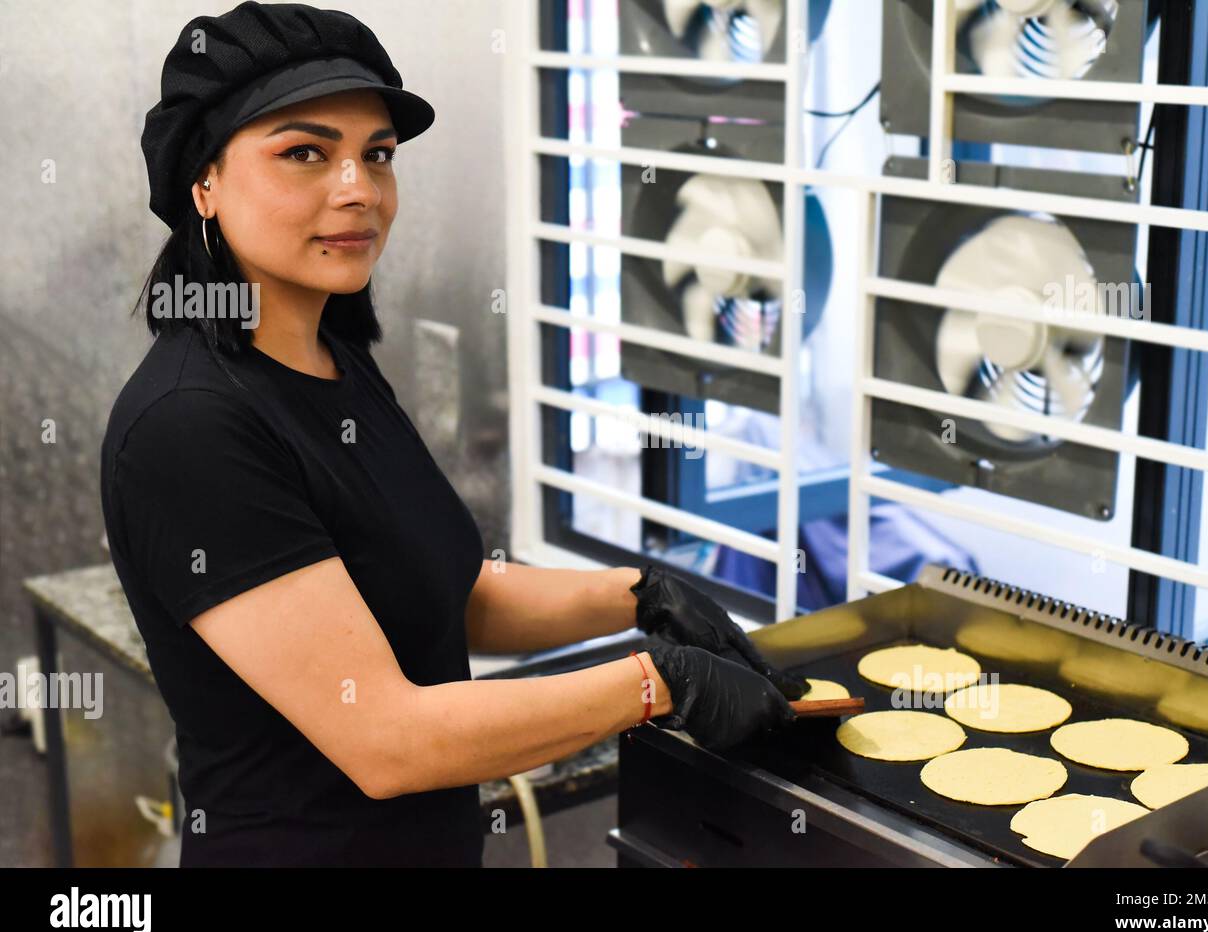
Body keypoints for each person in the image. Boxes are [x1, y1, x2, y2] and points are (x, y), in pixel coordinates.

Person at [100, 1, 807, 867]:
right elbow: (388, 739)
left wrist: (640, 595)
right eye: (305, 153)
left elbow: (448, 593)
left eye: (378, 154)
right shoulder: (191, 426)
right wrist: (658, 682)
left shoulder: (333, 361)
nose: (359, 188)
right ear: (203, 182)